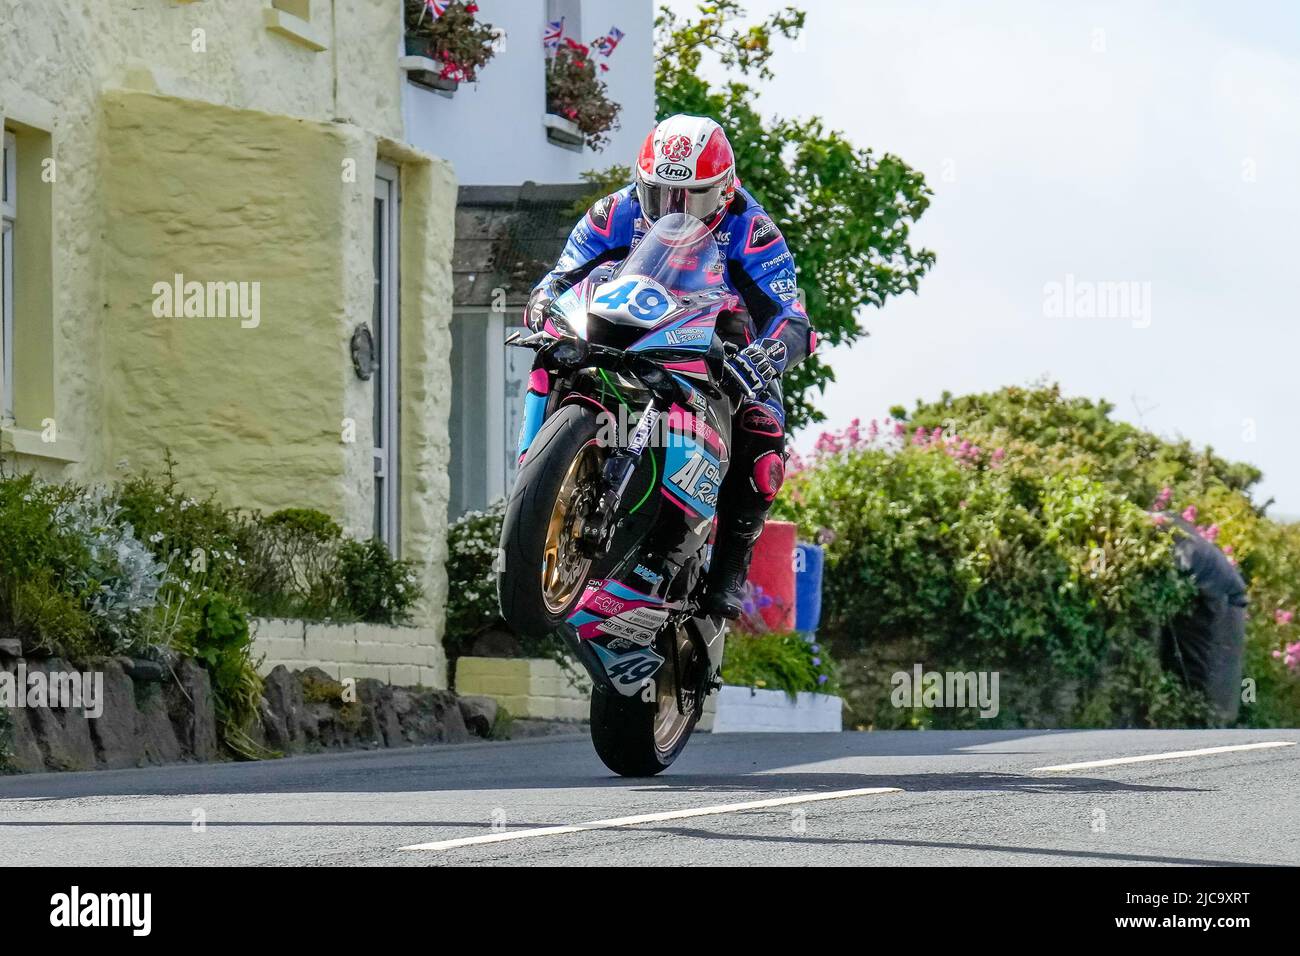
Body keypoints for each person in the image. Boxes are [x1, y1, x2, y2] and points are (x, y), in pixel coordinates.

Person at [520, 114, 815, 619]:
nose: (674, 209)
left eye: (693, 198)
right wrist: (545, 299)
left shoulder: (752, 227)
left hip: (720, 340)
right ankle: (535, 474)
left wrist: (770, 352)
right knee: (551, 354)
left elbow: (791, 314)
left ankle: (728, 571)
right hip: (631, 322)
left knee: (763, 439)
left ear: (724, 189)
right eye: (661, 195)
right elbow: (564, 271)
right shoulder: (615, 209)